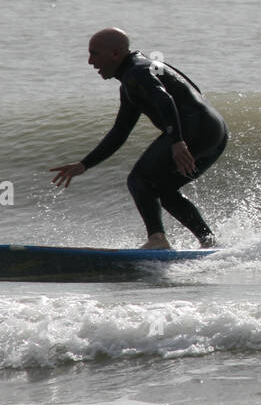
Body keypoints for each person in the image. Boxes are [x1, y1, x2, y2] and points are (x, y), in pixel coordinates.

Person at [49, 28, 228, 248]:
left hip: (195, 128)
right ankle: (209, 242)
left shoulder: (137, 72)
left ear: (115, 54)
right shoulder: (132, 80)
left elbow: (164, 99)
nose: (89, 61)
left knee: (139, 179)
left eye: (94, 54)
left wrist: (177, 141)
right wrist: (85, 164)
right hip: (214, 131)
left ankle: (157, 239)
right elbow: (120, 132)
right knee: (164, 189)